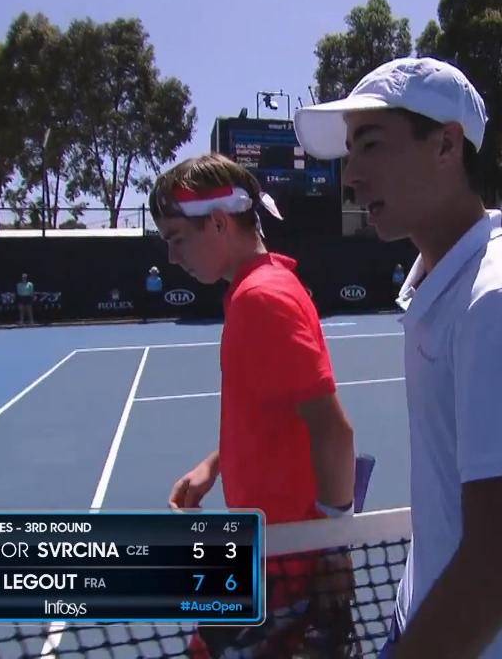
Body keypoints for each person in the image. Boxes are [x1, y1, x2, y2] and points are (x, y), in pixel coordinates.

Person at [295, 57, 502, 658]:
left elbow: (496, 573)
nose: (350, 174)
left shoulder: (499, 299)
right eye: (350, 152)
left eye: (370, 145)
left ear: (446, 145)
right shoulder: (444, 288)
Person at [148, 153, 359, 658]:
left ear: (219, 222)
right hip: (269, 558)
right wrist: (216, 463)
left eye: (178, 239)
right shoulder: (265, 286)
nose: (174, 258)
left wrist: (332, 552)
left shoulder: (259, 299)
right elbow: (276, 410)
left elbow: (334, 432)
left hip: (286, 571)